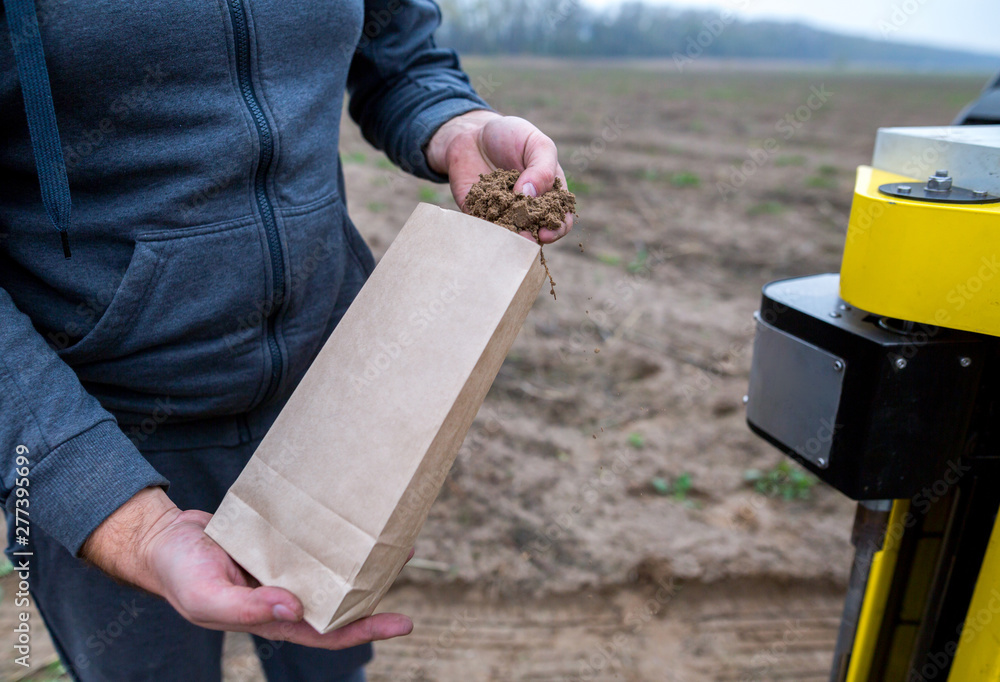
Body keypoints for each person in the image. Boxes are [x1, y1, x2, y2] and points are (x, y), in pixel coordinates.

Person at [0, 0, 572, 679]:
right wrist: (123, 520)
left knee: (328, 665)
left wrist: (457, 125)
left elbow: (396, 49)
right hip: (97, 424)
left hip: (326, 395)